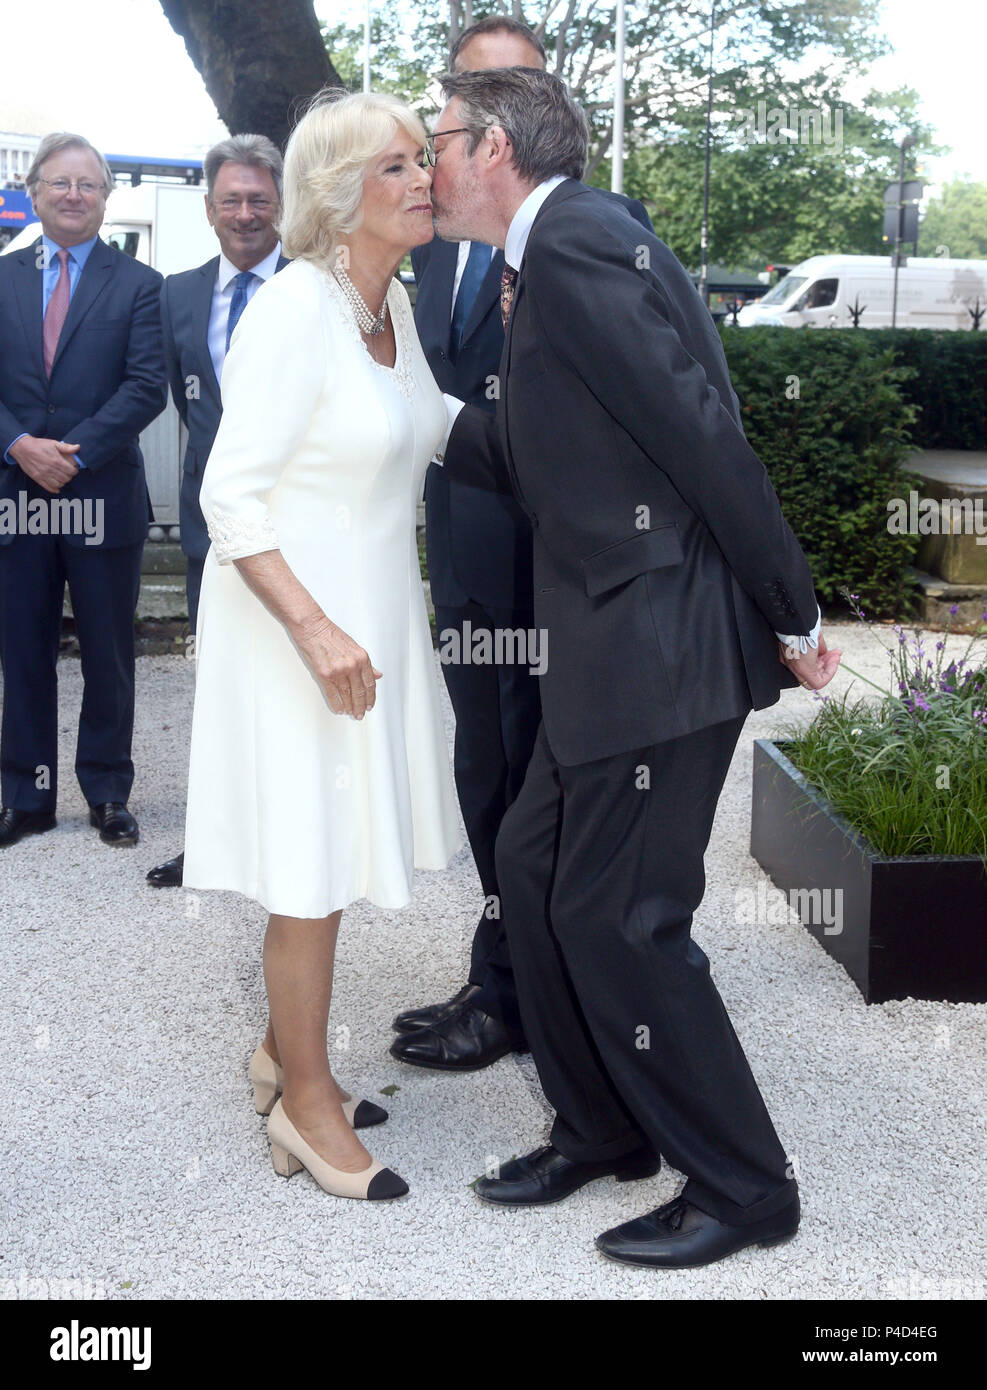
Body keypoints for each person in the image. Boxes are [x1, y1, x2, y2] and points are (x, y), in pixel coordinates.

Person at [429, 68, 842, 1267]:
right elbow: (552, 446)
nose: (431, 162)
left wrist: (792, 607)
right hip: (609, 641)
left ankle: (746, 1184)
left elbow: (701, 429)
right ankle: (605, 1123)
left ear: (492, 144)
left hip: (656, 643)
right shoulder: (553, 250)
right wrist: (405, 405)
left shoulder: (577, 244)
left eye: (439, 141)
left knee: (625, 918)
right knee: (531, 858)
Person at [182, 90, 461, 1202]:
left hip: (369, 621)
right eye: (398, 167)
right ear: (342, 195)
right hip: (300, 637)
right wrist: (314, 627)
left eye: (419, 161)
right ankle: (306, 1104)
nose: (424, 180)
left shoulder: (384, 305)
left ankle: (281, 1053)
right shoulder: (298, 308)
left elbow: (440, 428)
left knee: (331, 850)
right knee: (306, 867)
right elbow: (229, 496)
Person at [392, 13, 655, 1072]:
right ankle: (501, 972)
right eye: (470, 86)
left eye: (511, 87)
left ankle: (543, 996)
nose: (483, 109)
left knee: (554, 794)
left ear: (534, 113)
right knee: (484, 769)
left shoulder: (596, 227)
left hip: (560, 566)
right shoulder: (428, 229)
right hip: (465, 549)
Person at [0, 133, 167, 850]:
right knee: (23, 651)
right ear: (32, 191)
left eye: (88, 185)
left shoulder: (139, 285)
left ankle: (107, 792)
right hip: (16, 493)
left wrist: (73, 454)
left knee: (108, 653)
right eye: (60, 183)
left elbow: (146, 385)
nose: (74, 195)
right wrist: (18, 446)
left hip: (101, 494)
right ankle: (28, 797)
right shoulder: (2, 279)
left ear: (105, 197)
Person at [146, 134, 288, 890]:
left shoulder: (315, 285)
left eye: (258, 199)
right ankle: (213, 842)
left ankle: (292, 839)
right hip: (212, 532)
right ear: (208, 209)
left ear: (280, 205)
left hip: (296, 525)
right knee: (221, 684)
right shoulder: (177, 293)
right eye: (230, 199)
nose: (244, 213)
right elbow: (187, 399)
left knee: (295, 683)